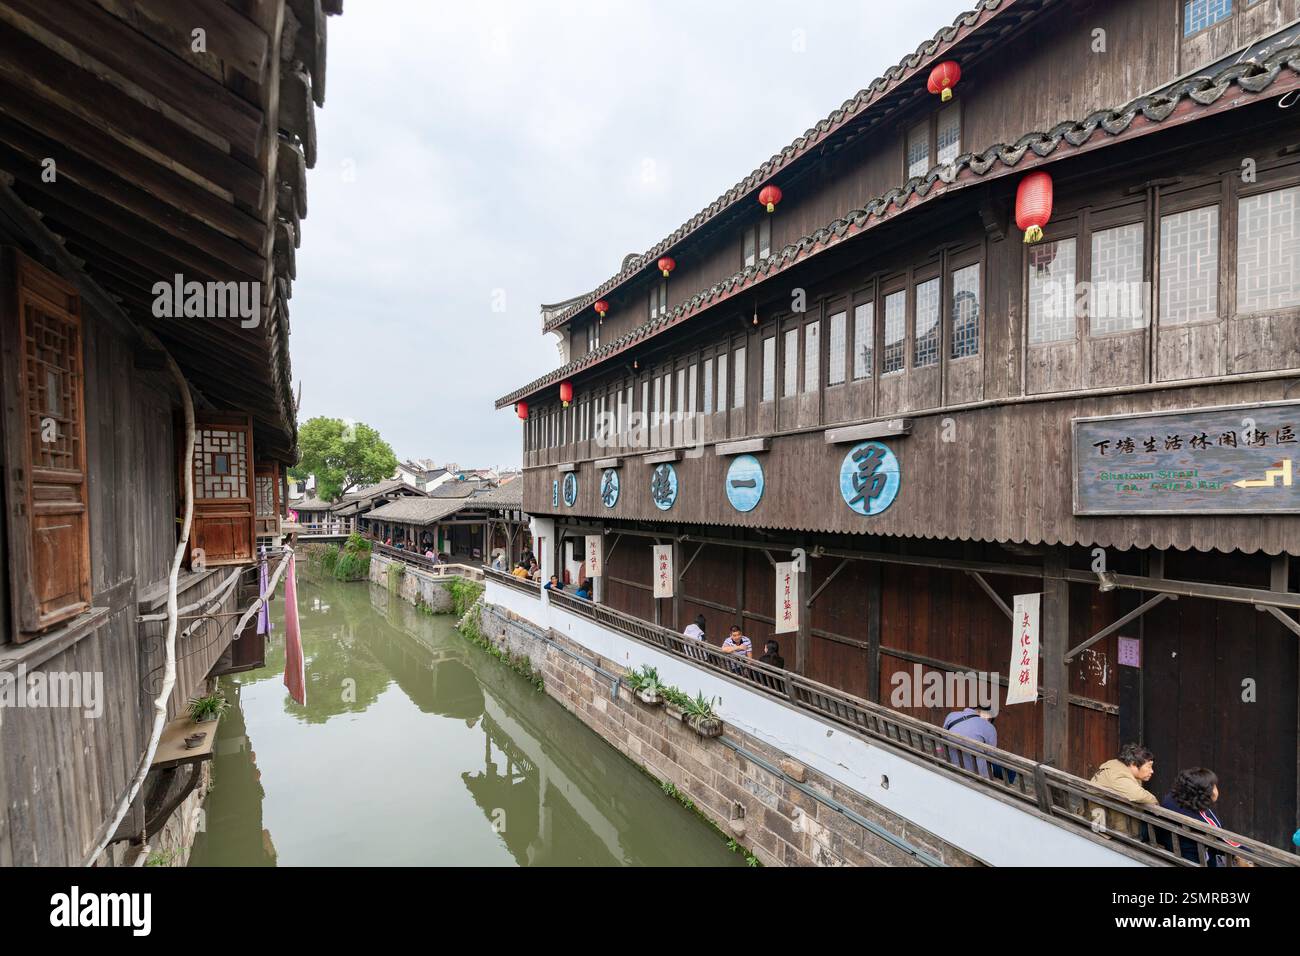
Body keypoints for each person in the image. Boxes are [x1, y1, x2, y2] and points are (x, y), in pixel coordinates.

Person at [1158, 768, 1243, 867]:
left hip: (1172, 852)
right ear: (1205, 792)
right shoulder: (1204, 819)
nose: (1216, 789)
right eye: (1213, 786)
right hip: (1198, 861)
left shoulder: (1170, 799)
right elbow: (1226, 843)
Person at [1087, 743, 1157, 838]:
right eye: (1149, 766)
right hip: (1103, 827)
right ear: (1133, 764)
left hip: (1101, 818)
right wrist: (1156, 802)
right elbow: (1138, 795)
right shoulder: (1119, 776)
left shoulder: (1116, 765)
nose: (1152, 771)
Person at [941, 704, 998, 778]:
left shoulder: (951, 715)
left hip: (949, 763)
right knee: (1010, 771)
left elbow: (943, 737)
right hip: (975, 774)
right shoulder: (989, 727)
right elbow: (992, 755)